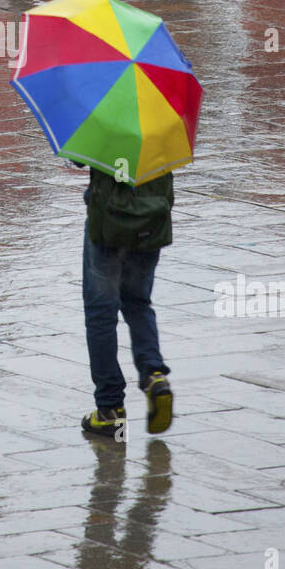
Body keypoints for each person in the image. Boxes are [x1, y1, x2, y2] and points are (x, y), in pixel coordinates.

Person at [80, 165, 174, 438]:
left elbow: (77, 157)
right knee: (138, 302)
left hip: (108, 226)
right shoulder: (167, 123)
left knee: (101, 316)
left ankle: (110, 410)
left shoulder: (103, 123)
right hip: (149, 224)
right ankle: (154, 374)